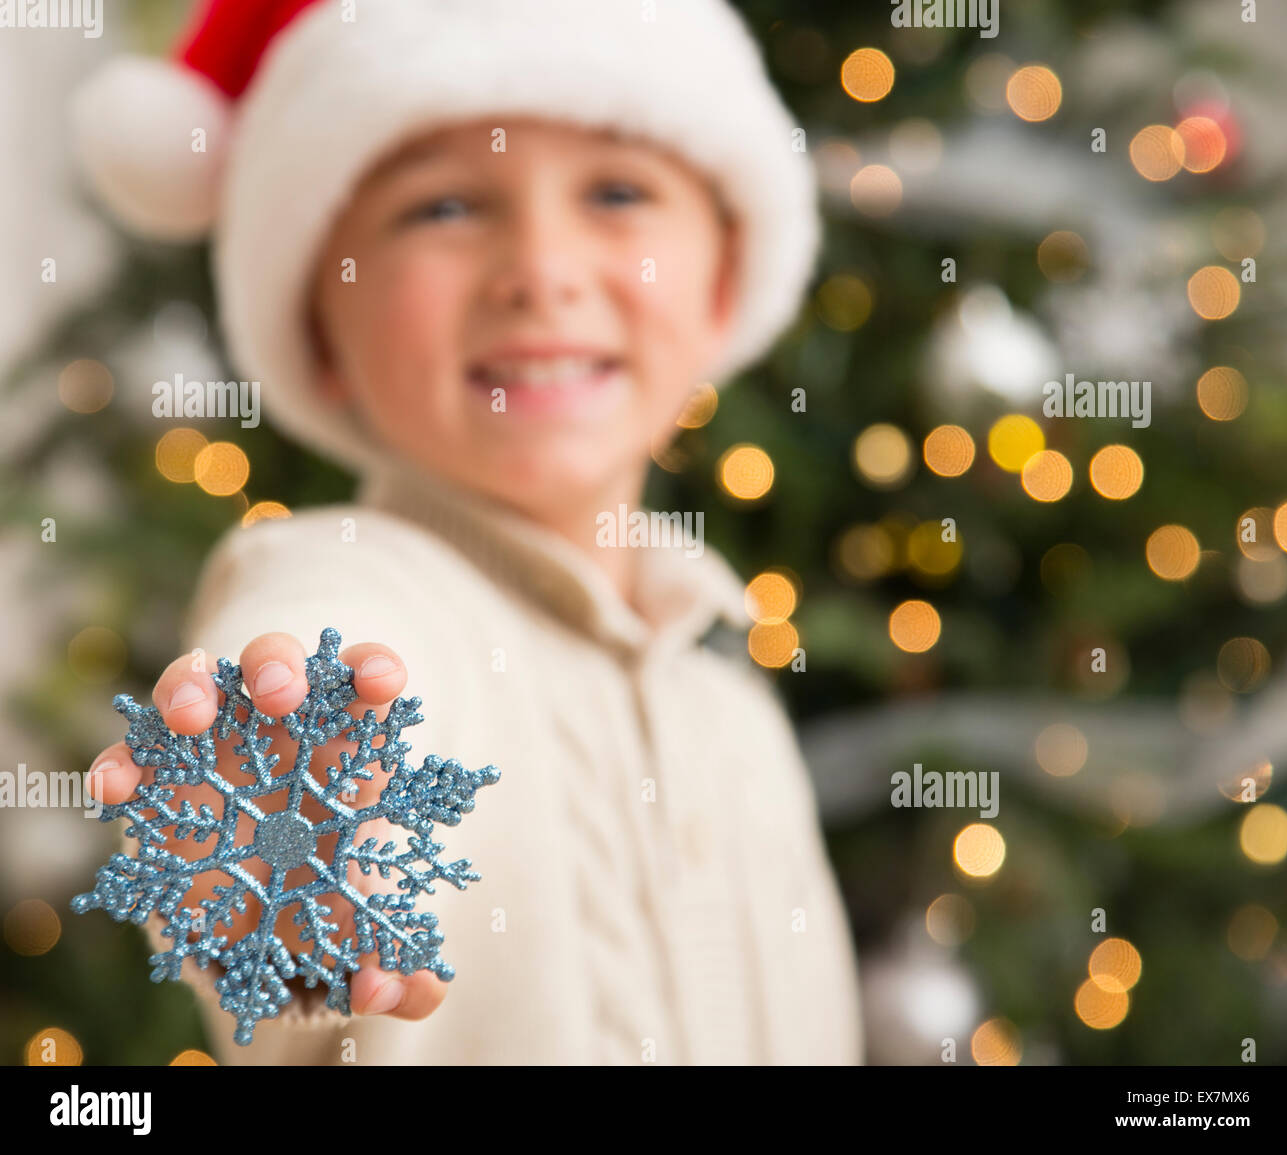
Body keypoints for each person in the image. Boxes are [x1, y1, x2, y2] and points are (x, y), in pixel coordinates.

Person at [77, 0, 864, 1064]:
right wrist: (283, 826)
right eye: (442, 208)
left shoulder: (728, 681)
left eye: (619, 193)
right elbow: (311, 655)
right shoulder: (346, 579)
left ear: (723, 280)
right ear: (316, 322)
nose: (541, 269)